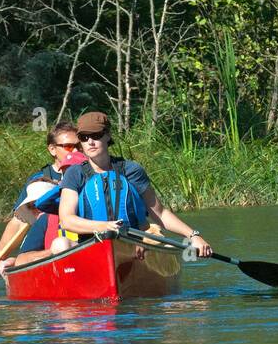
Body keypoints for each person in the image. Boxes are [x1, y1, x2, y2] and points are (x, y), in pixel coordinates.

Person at [56, 111, 213, 259]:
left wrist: (193, 235)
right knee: (60, 243)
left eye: (96, 135)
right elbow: (67, 220)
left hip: (133, 244)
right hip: (91, 245)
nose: (90, 142)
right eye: (84, 137)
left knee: (165, 246)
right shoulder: (75, 174)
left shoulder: (130, 170)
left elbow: (160, 213)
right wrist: (104, 227)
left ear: (108, 135)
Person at [0, 122, 85, 273]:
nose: (75, 151)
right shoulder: (39, 180)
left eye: (79, 146)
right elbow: (19, 222)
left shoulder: (90, 170)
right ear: (52, 149)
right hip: (46, 238)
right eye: (69, 146)